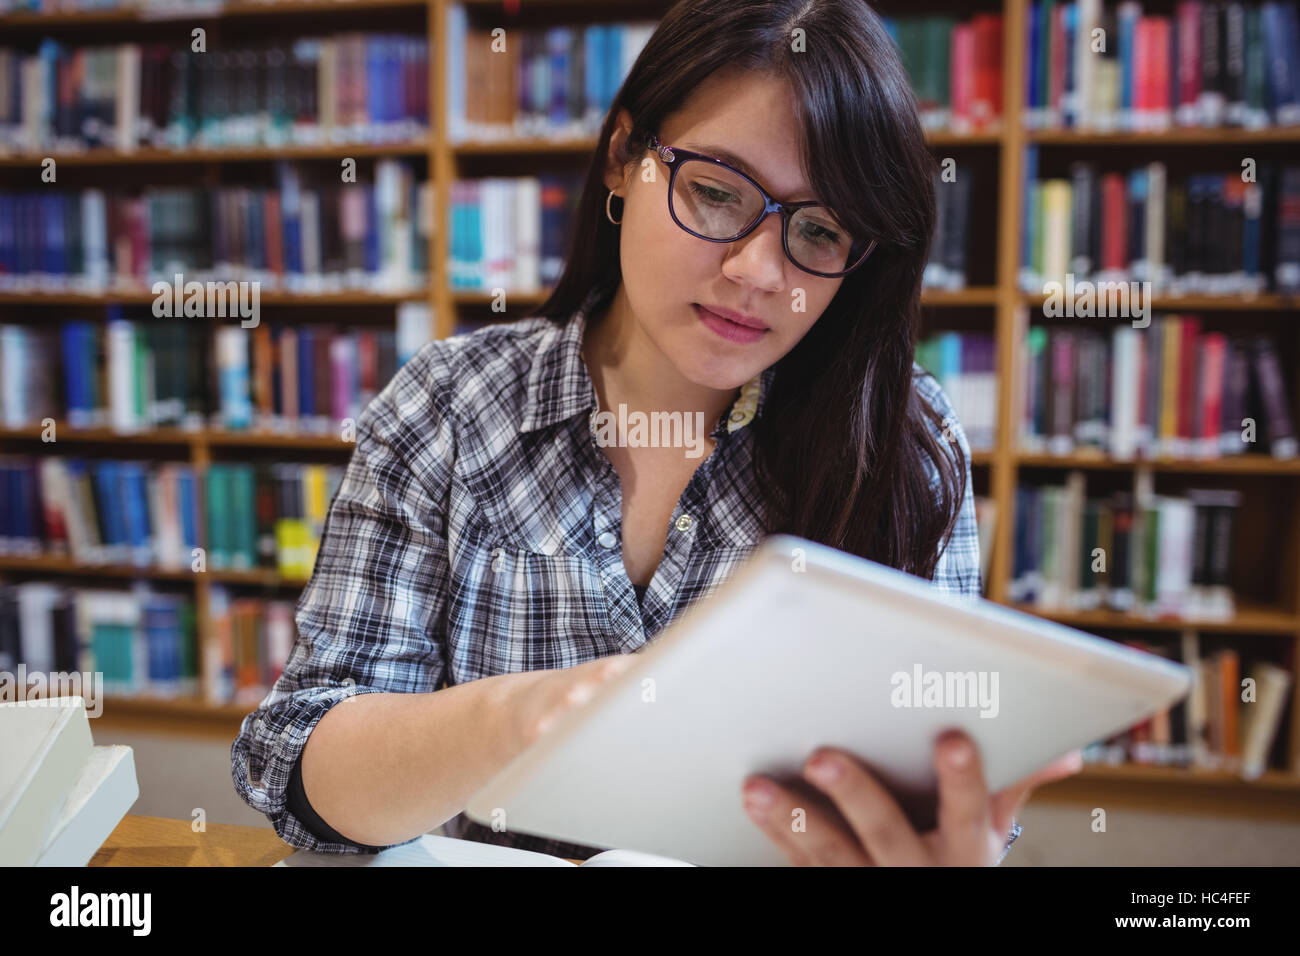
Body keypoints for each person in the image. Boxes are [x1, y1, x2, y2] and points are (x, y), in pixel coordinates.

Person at [232, 0, 1081, 866]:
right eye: (714, 192)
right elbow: (299, 764)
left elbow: (936, 784)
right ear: (622, 157)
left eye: (819, 231)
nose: (758, 271)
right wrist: (522, 718)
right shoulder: (451, 405)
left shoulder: (902, 442)